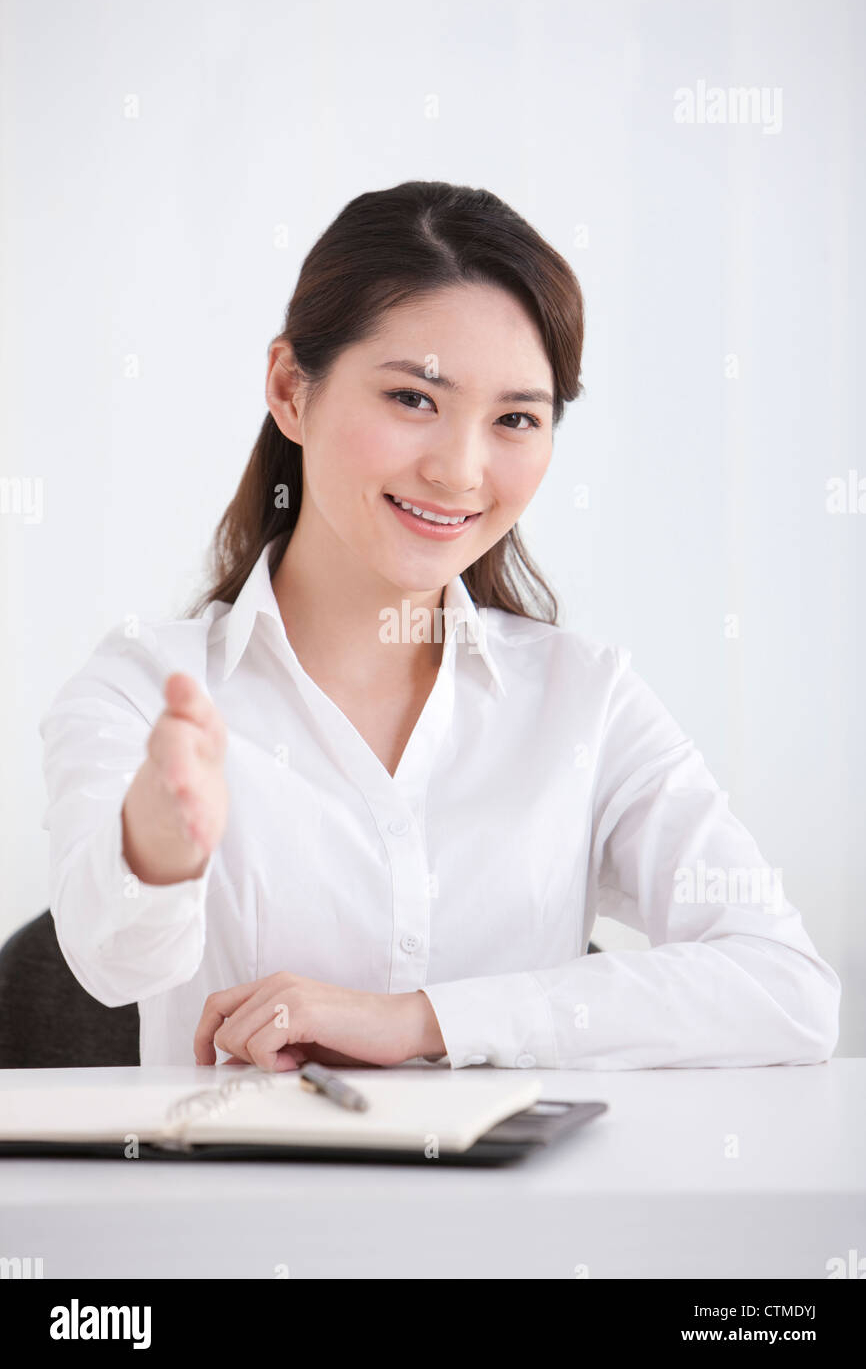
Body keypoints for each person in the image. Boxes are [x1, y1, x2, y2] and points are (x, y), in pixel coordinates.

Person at [39, 180, 841, 1072]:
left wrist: (424, 1021)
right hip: (244, 1213)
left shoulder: (585, 702)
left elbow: (787, 991)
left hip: (522, 1216)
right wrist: (157, 850)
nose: (460, 471)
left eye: (515, 419)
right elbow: (114, 966)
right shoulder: (147, 688)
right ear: (290, 390)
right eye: (414, 399)